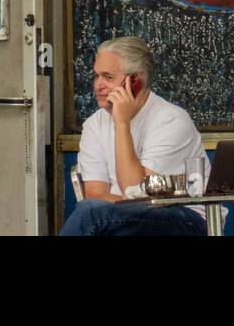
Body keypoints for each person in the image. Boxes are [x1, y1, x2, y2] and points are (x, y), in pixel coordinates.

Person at [61, 36, 210, 236]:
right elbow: (95, 194)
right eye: (96, 76)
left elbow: (138, 194)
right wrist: (116, 210)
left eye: (108, 77)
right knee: (93, 213)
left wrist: (122, 124)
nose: (98, 86)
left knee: (92, 215)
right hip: (123, 218)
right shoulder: (94, 125)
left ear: (135, 81)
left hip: (185, 219)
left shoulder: (171, 121)